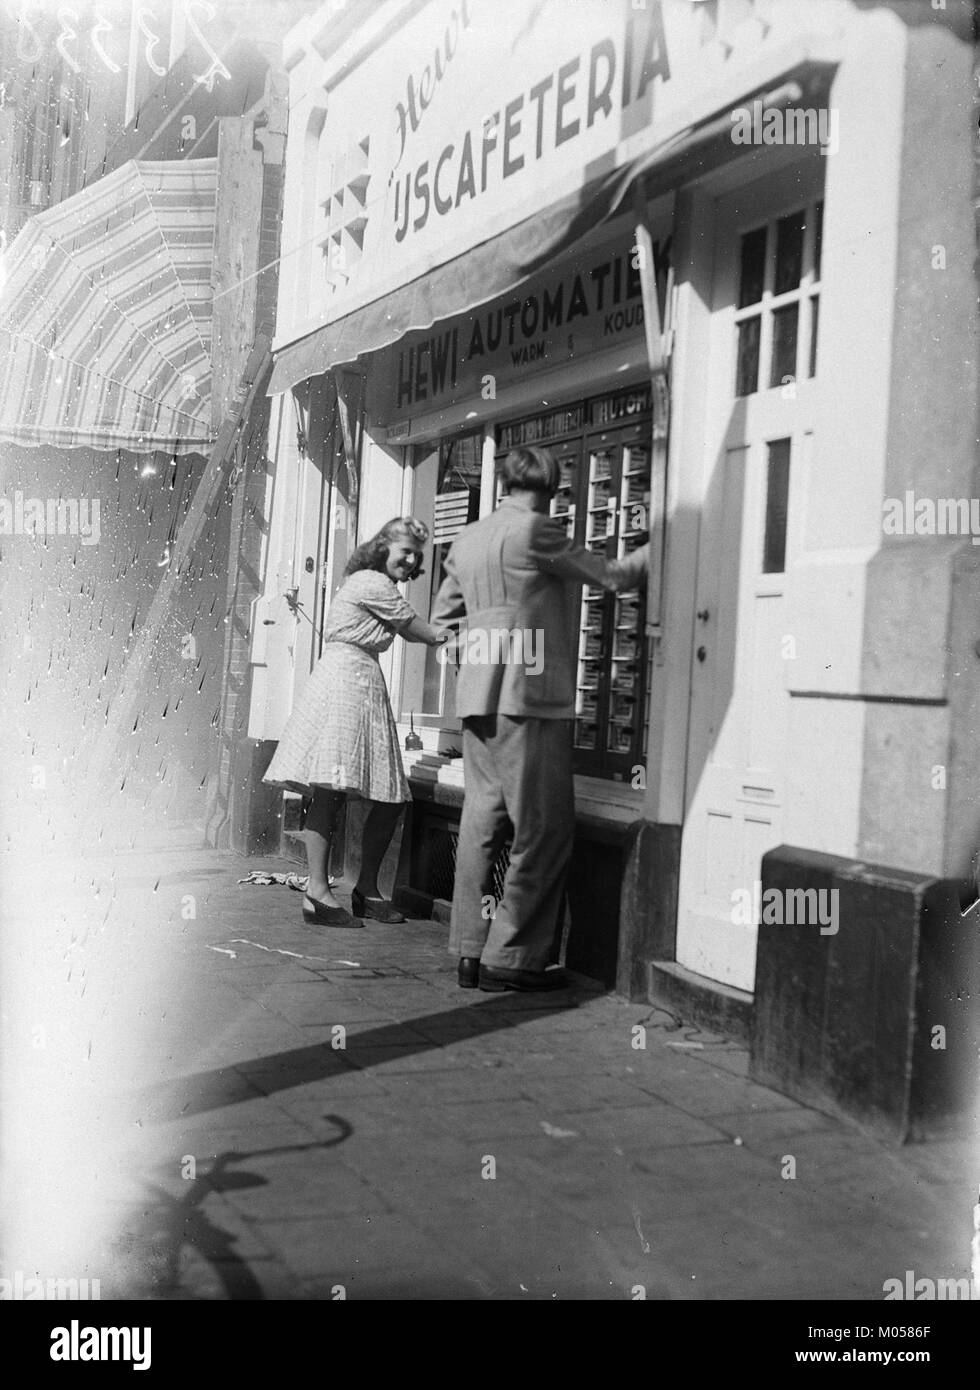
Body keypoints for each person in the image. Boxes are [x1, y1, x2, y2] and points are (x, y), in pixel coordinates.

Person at [431, 445, 610, 992]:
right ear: (551, 483)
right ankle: (510, 957)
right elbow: (608, 574)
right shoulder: (539, 531)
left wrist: (489, 639)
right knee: (544, 827)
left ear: (506, 481)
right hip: (528, 698)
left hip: (478, 696)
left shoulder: (467, 538)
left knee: (481, 821)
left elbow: (443, 621)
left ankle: (467, 949)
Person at [264, 517, 448, 926]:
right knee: (332, 789)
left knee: (386, 795)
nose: (413, 558)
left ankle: (365, 890)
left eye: (418, 553)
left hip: (360, 679)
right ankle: (318, 892)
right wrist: (461, 636)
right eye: (406, 550)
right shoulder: (372, 582)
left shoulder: (371, 582)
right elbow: (418, 631)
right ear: (384, 547)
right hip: (347, 682)